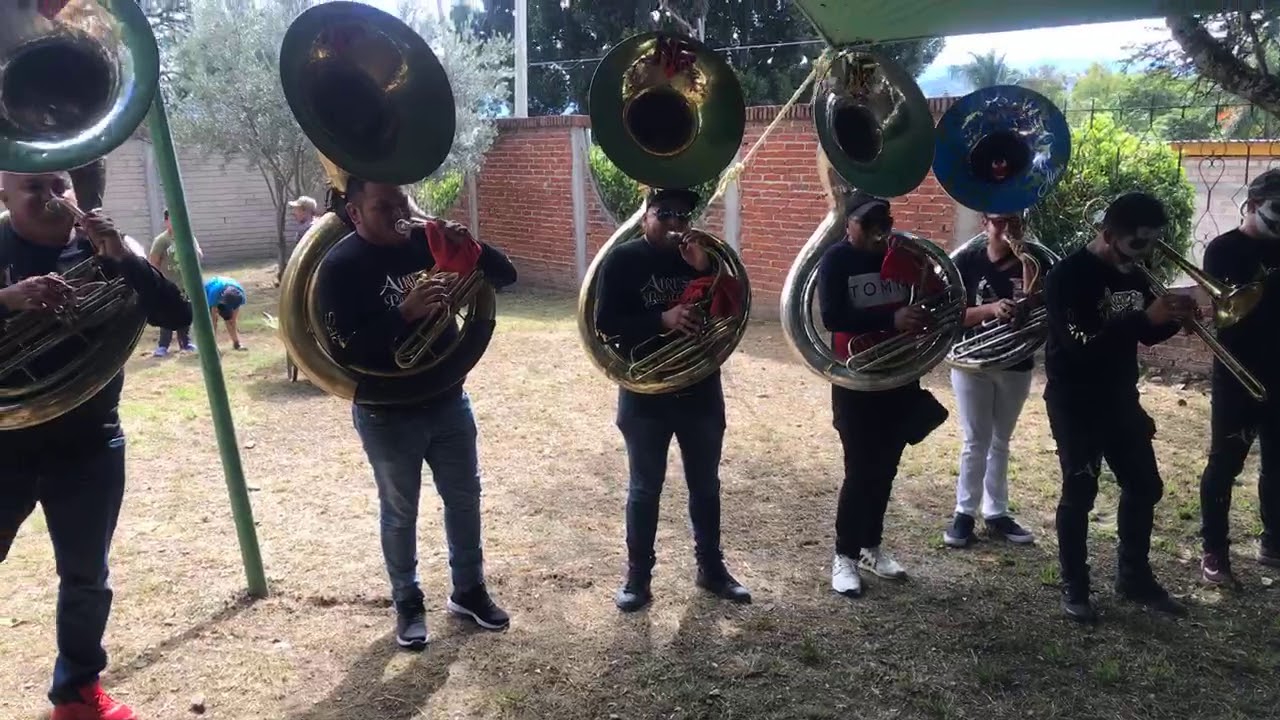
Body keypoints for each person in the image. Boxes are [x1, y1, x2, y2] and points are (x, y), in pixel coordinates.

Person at [0, 169, 193, 720]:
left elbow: (177, 316)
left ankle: (77, 693)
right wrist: (8, 300)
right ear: (3, 192)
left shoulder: (107, 246)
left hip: (89, 439)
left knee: (87, 576)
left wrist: (123, 259)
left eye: (59, 185)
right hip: (4, 440)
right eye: (32, 187)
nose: (51, 198)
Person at [314, 177, 518, 650]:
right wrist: (402, 314)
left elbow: (506, 276)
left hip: (447, 397)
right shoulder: (340, 266)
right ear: (356, 214)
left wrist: (470, 246)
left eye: (402, 201)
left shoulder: (424, 243)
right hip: (387, 411)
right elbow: (342, 352)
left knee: (465, 499)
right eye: (384, 206)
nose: (399, 212)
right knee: (401, 512)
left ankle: (469, 590)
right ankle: (407, 600)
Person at [595, 187, 752, 613]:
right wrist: (660, 320)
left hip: (700, 388)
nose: (675, 223)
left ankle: (711, 569)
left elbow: (732, 315)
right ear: (645, 215)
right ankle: (637, 577)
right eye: (664, 213)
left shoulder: (705, 258)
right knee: (645, 488)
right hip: (646, 390)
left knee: (706, 485)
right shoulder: (624, 259)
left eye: (683, 215)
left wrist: (707, 271)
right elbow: (605, 323)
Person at [1043, 191, 1198, 622]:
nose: (1145, 252)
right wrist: (1146, 318)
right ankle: (1075, 584)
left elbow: (1143, 337)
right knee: (1080, 490)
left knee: (1145, 485)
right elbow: (1080, 345)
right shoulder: (1067, 276)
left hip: (1120, 398)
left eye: (1152, 242)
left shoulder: (1136, 272)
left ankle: (1133, 576)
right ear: (1109, 235)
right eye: (1137, 243)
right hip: (1075, 399)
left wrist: (1174, 322)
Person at [816, 191, 950, 599]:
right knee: (860, 471)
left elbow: (934, 300)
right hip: (857, 379)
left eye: (884, 224)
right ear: (849, 225)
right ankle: (844, 556)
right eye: (868, 225)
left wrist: (928, 284)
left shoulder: (901, 254)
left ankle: (871, 547)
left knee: (887, 469)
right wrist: (889, 317)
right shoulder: (836, 259)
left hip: (898, 376)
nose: (878, 234)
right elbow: (832, 316)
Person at [1198, 169, 1280, 585]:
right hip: (1239, 372)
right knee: (1225, 464)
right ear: (1250, 205)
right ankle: (1214, 549)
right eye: (1276, 210)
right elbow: (1231, 313)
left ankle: (1273, 541)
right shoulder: (1224, 249)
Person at [943, 212, 1038, 548]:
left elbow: (1040, 307)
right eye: (999, 221)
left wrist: (1027, 261)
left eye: (1014, 222)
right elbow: (950, 315)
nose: (1006, 229)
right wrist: (991, 309)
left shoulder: (1034, 260)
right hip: (972, 361)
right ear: (985, 223)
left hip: (1016, 361)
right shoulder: (967, 260)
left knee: (1001, 440)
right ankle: (964, 512)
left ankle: (996, 512)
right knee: (976, 440)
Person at [148, 208, 203, 357]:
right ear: (166, 222)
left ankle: (185, 343)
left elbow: (199, 256)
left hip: (185, 284)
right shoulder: (162, 240)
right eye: (172, 219)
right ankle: (163, 346)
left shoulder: (188, 237)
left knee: (184, 314)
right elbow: (153, 263)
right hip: (168, 285)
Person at [204, 275, 247, 351]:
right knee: (213, 321)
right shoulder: (214, 294)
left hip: (225, 296)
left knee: (230, 321)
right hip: (207, 292)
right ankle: (211, 346)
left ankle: (236, 343)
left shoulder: (240, 296)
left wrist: (230, 319)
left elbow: (233, 320)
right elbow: (212, 321)